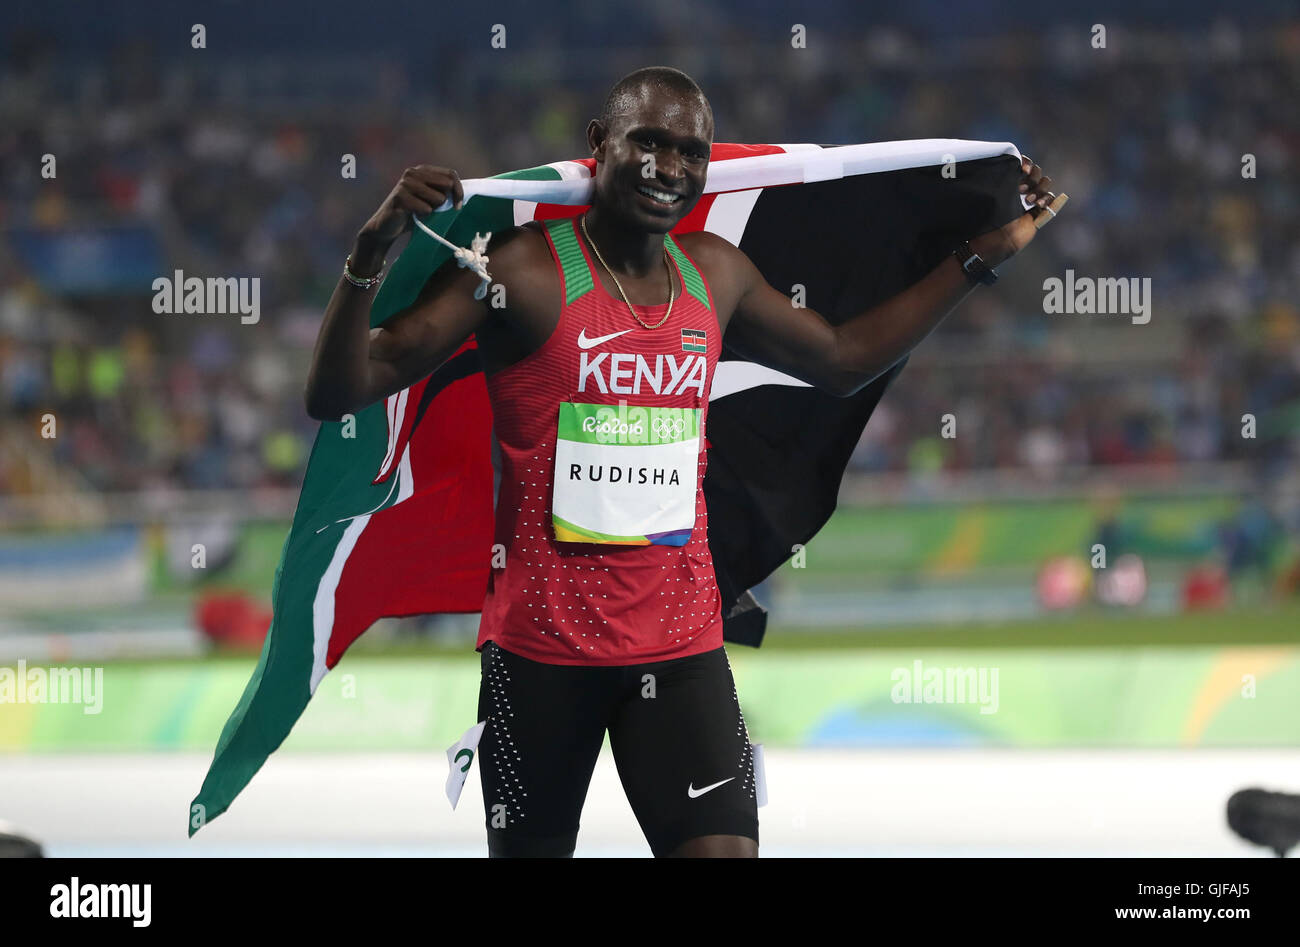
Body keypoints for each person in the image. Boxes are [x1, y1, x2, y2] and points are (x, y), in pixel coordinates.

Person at [304, 66, 1059, 857]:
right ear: (601, 144)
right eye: (650, 143)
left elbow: (843, 358)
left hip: (682, 649)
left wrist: (980, 256)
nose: (671, 168)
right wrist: (369, 252)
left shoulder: (715, 273)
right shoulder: (519, 272)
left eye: (691, 152)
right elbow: (341, 389)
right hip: (538, 659)